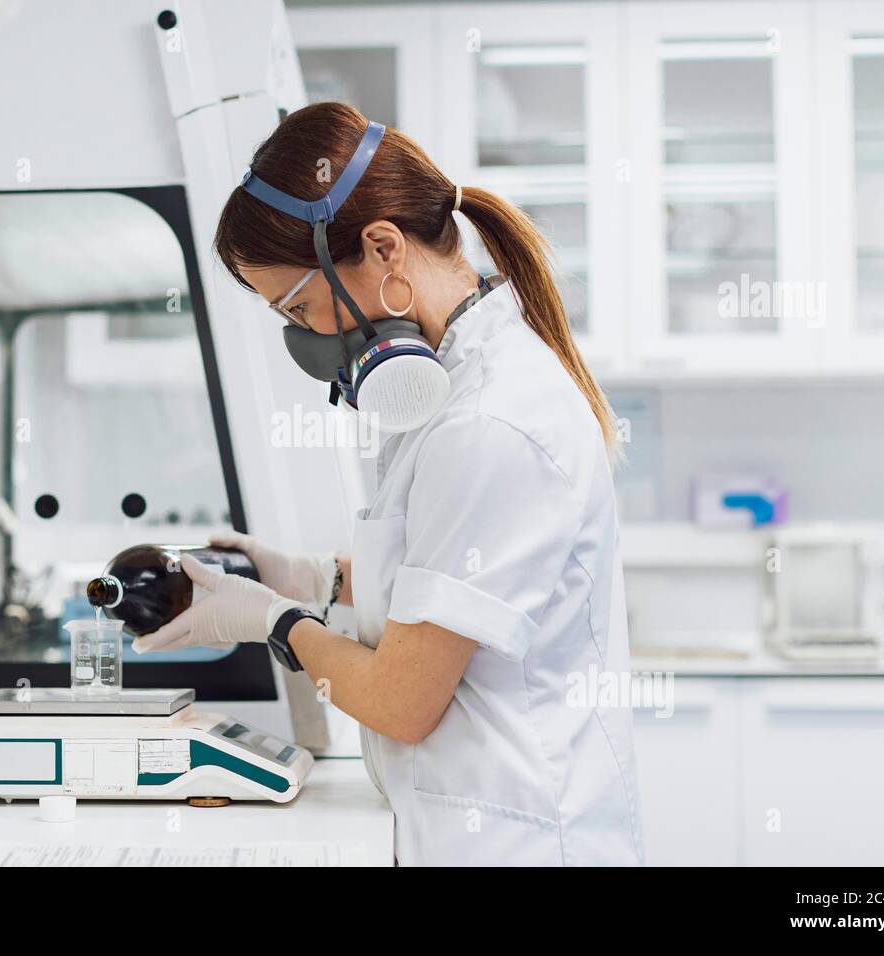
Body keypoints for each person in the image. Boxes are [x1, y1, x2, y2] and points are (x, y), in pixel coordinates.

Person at [132, 102, 643, 866]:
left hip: (514, 840)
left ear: (382, 249)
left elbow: (402, 702)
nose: (307, 340)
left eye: (301, 307)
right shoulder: (460, 393)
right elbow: (441, 584)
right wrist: (315, 578)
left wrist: (275, 620)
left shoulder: (489, 423)